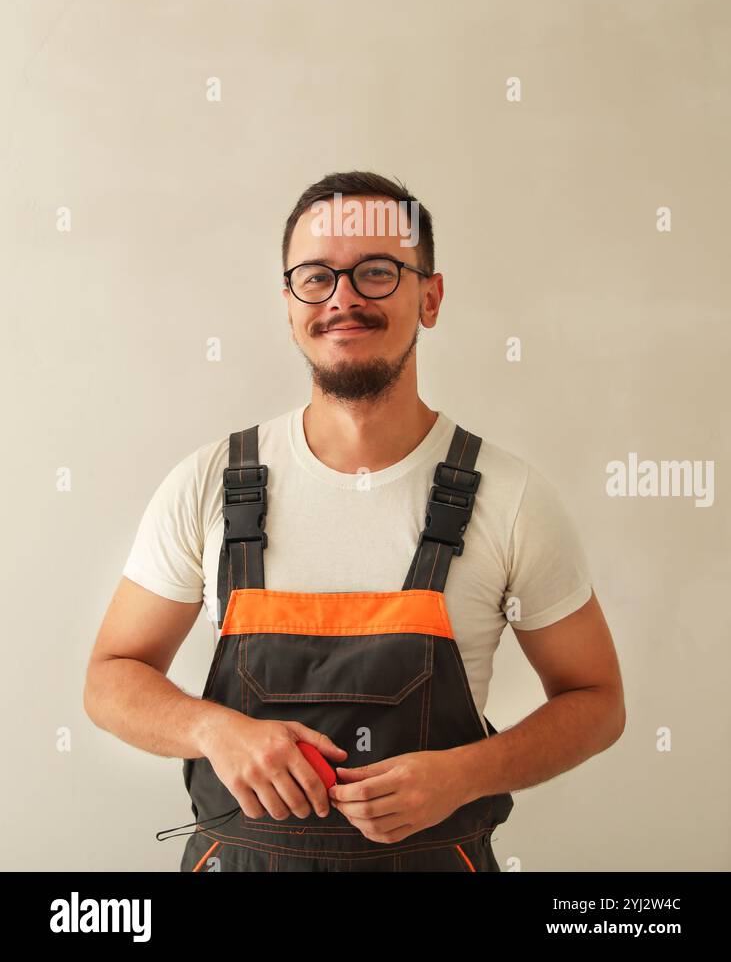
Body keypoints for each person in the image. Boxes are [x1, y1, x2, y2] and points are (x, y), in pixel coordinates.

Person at [83, 170, 625, 872]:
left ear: (428, 298)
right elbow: (110, 678)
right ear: (288, 304)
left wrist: (463, 775)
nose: (342, 298)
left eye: (376, 272)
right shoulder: (210, 485)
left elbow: (597, 702)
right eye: (315, 276)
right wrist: (213, 730)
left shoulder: (509, 497)